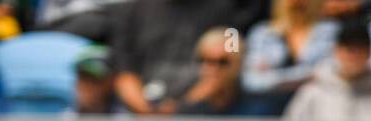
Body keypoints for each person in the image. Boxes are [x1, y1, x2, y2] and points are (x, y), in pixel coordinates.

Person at [111, 0, 263, 114]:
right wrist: (145, 110)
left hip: (201, 113)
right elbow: (123, 71)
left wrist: (179, 109)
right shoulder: (134, 9)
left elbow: (227, 65)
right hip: (138, 111)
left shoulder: (223, 8)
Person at [283, 18, 371, 121]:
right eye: (349, 49)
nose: (353, 57)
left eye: (360, 50)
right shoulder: (312, 94)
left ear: (370, 52)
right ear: (337, 50)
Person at [242, 0, 340, 115]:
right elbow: (251, 81)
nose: (296, 2)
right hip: (270, 106)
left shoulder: (331, 31)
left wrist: (272, 76)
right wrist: (306, 77)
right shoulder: (262, 33)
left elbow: (332, 73)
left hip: (321, 105)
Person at [175, 27, 272, 113]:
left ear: (238, 64)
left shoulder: (258, 107)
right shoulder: (181, 95)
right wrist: (189, 103)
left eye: (222, 62)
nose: (212, 69)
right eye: (205, 60)